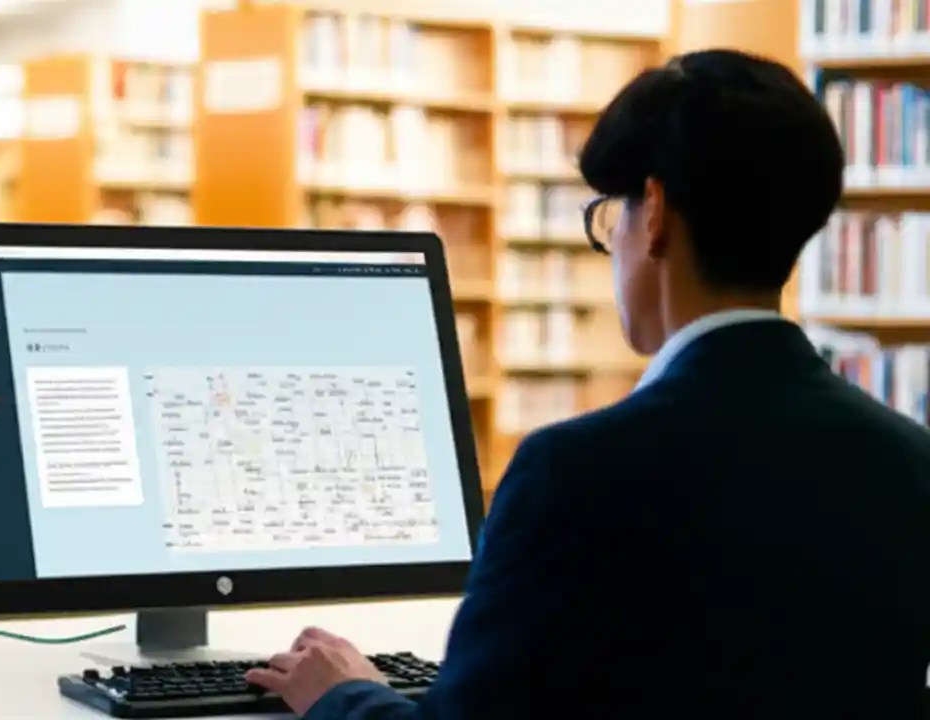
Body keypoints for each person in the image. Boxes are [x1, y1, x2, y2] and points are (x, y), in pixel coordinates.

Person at [246, 49, 930, 718]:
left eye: (614, 216)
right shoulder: (908, 462)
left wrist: (343, 693)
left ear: (654, 212)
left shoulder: (573, 475)